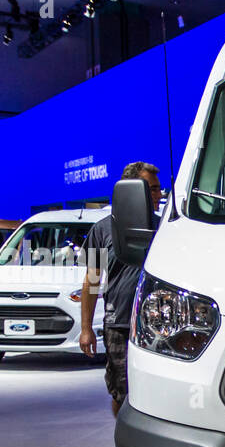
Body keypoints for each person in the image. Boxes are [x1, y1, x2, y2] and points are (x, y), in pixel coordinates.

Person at [79, 161, 161, 417]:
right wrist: (85, 330)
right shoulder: (102, 230)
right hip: (119, 324)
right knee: (121, 392)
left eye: (158, 189)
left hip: (159, 328)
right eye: (151, 189)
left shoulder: (166, 230)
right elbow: (91, 282)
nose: (158, 195)